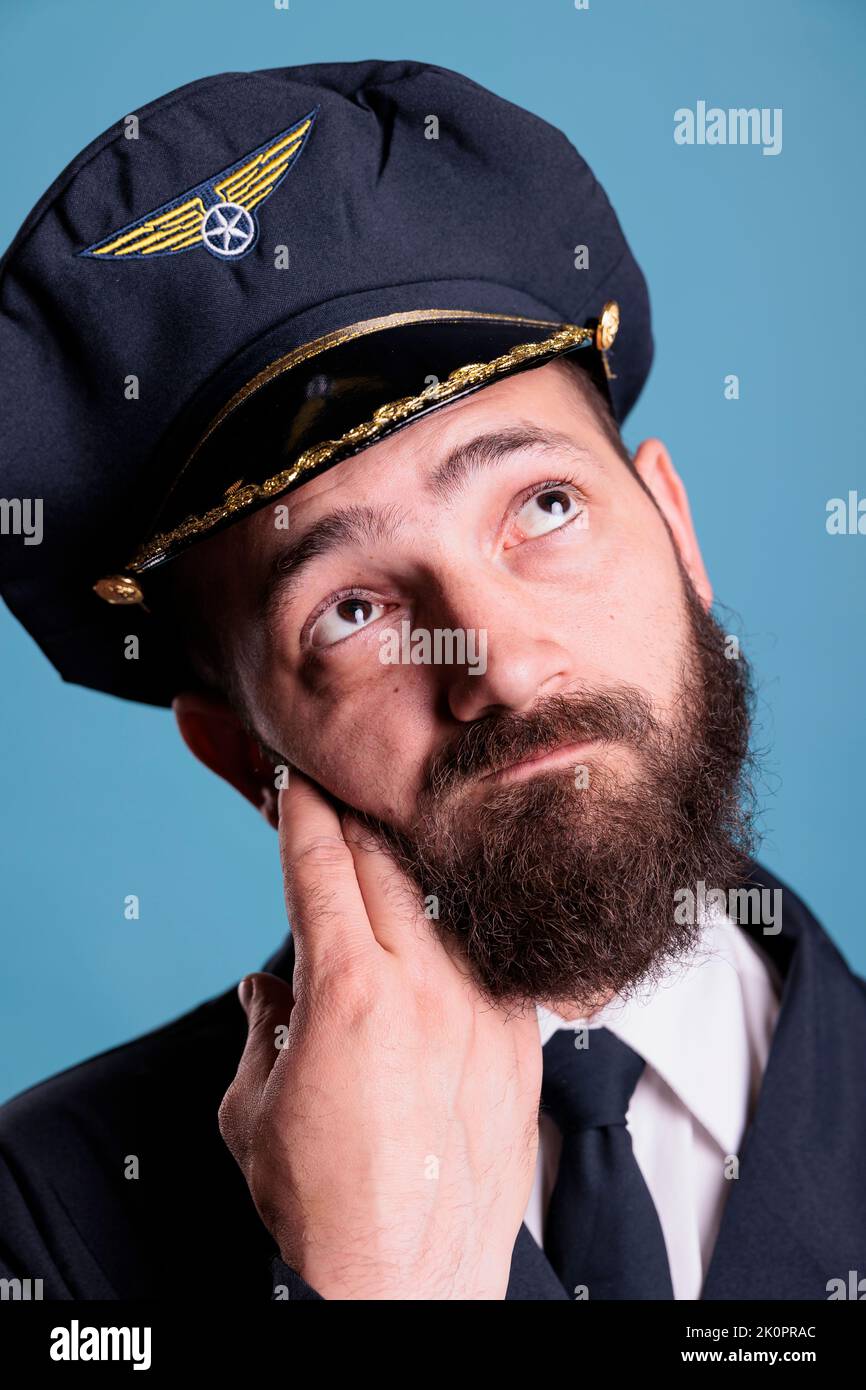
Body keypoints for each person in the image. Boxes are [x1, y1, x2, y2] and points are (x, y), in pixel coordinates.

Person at [0, 58, 863, 1302]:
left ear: (674, 531)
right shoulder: (50, 1233)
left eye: (544, 506)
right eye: (352, 610)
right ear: (246, 754)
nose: (499, 662)